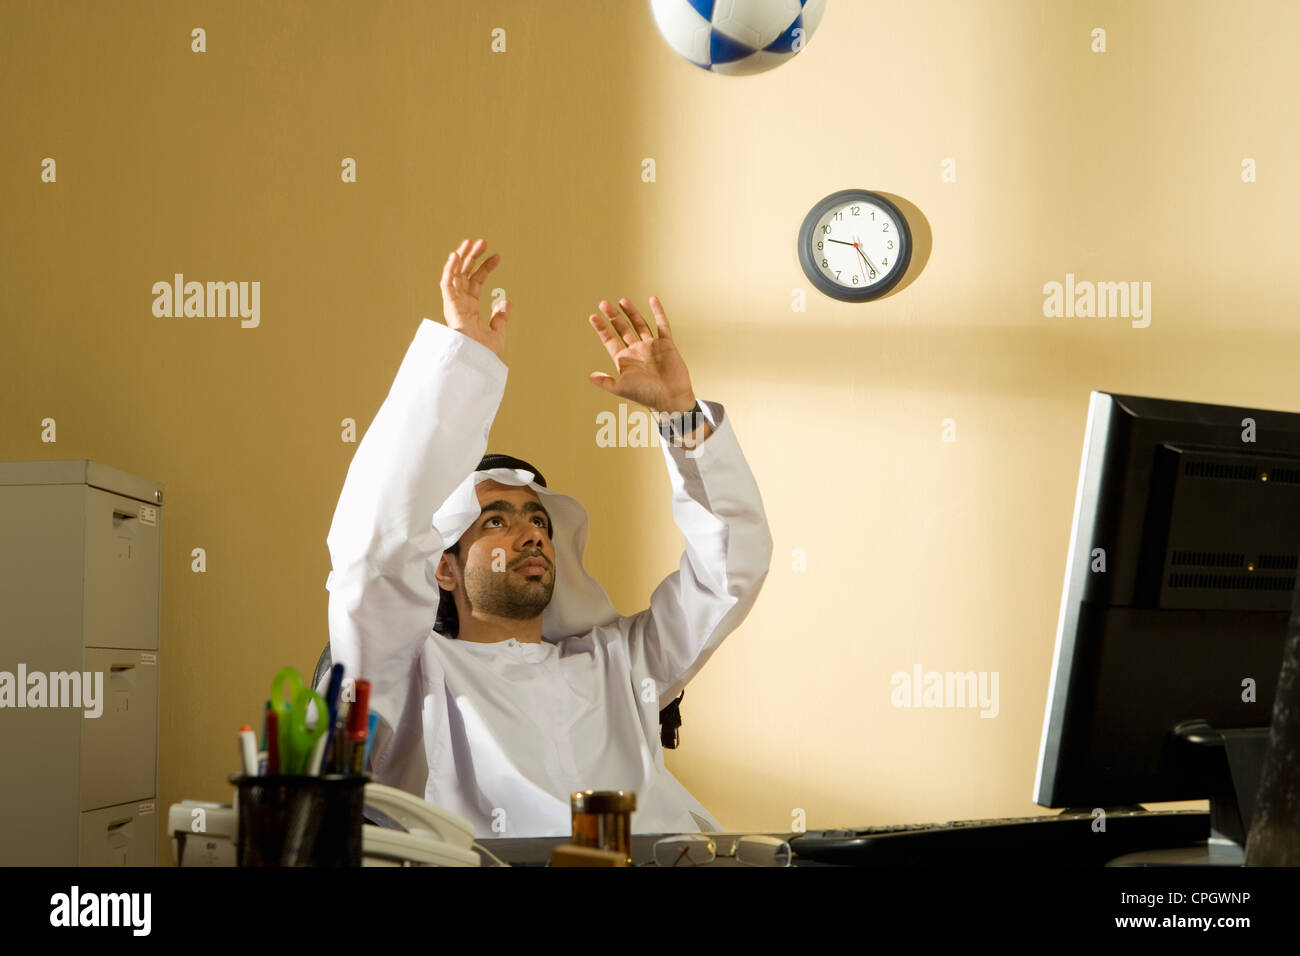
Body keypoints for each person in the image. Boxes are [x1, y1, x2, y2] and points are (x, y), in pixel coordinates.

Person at [325, 238, 773, 837]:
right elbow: (373, 556)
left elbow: (731, 573)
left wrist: (682, 416)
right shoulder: (411, 675)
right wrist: (464, 369)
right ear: (444, 568)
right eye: (496, 521)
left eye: (538, 520)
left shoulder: (620, 664)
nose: (530, 533)